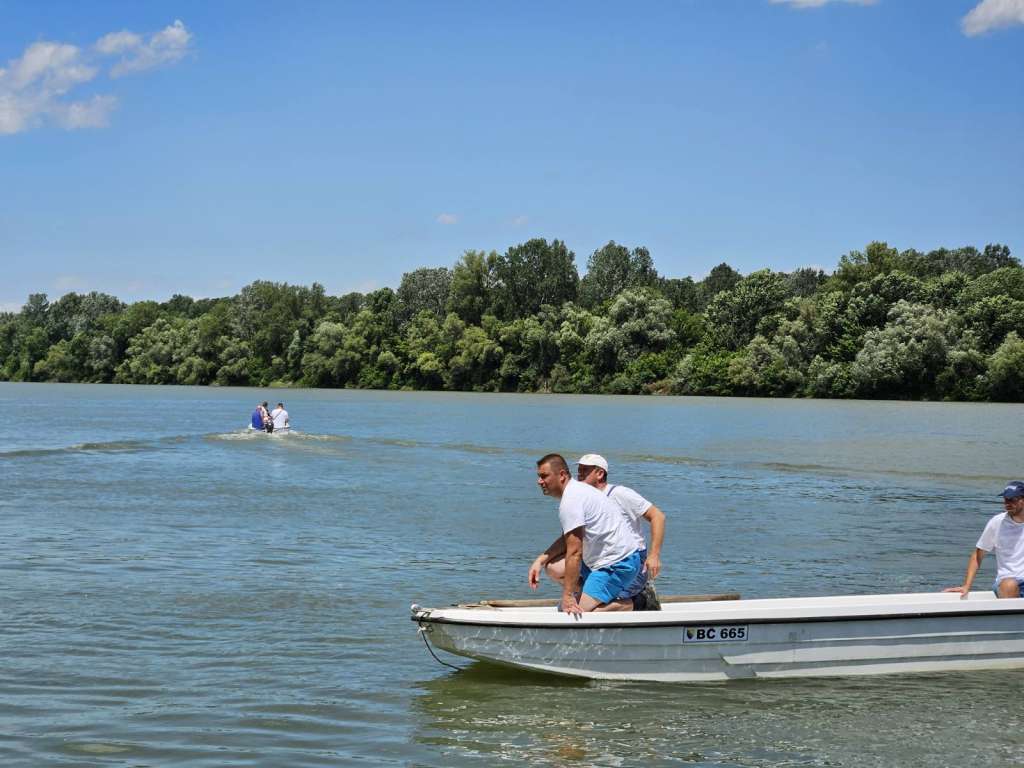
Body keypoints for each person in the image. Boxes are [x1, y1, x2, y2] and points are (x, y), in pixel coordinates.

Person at [540, 454, 664, 610]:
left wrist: (654, 555)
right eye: (579, 470)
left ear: (600, 473)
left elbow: (657, 516)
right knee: (554, 568)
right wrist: (542, 559)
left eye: (585, 470)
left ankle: (640, 601)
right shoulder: (584, 496)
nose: (579, 474)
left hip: (629, 559)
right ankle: (593, 593)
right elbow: (571, 539)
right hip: (598, 557)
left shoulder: (619, 494)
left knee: (585, 612)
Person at [944, 481, 1024, 599]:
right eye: (1005, 499)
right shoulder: (997, 522)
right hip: (1007, 581)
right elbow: (977, 555)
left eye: (1012, 499)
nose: (1007, 503)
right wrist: (966, 586)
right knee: (1009, 585)